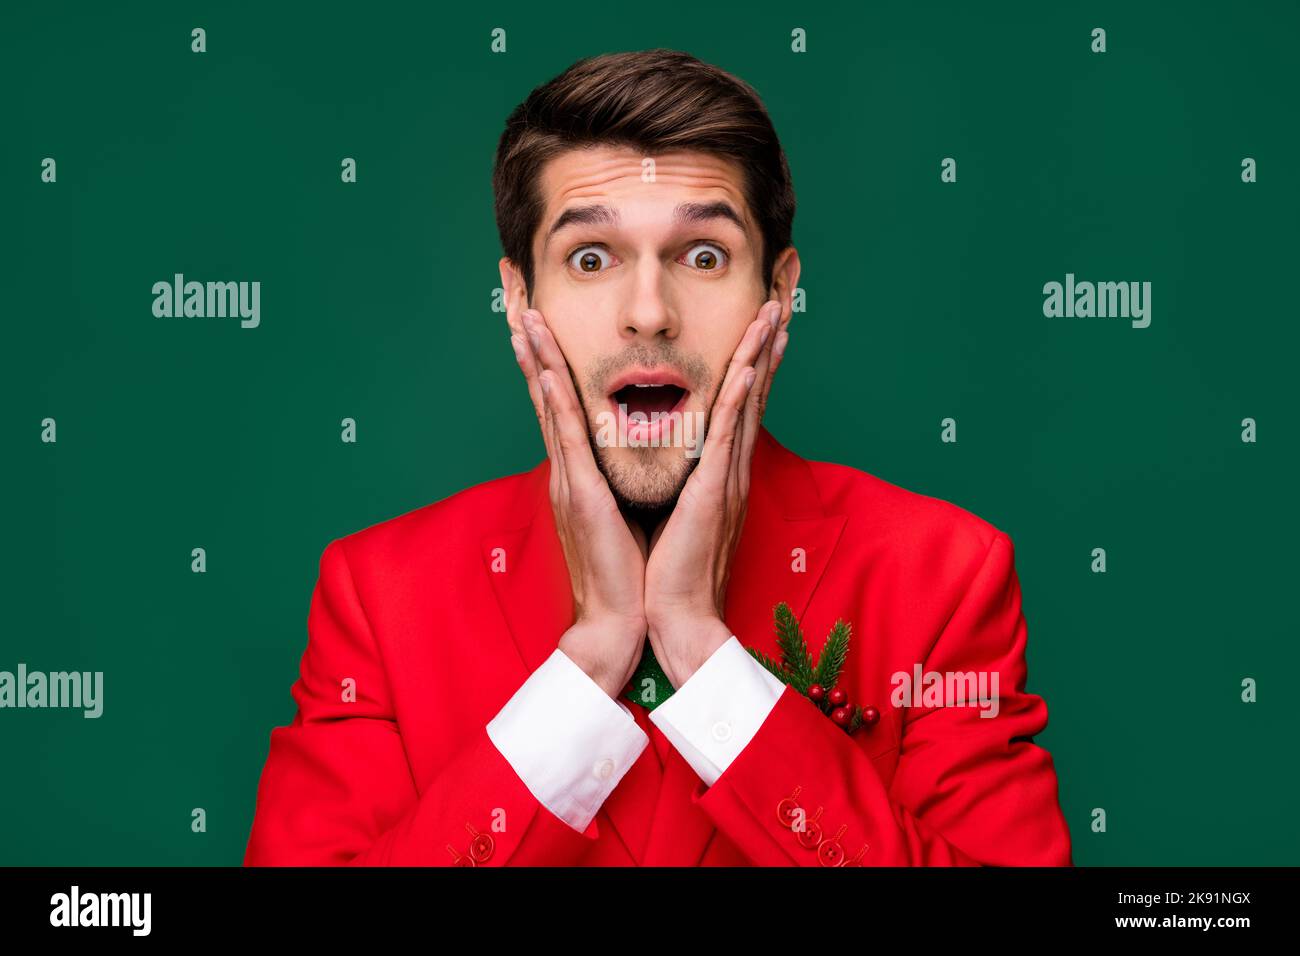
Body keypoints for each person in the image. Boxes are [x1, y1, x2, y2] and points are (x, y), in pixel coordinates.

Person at [243, 48, 1072, 866]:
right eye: (591, 259)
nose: (649, 313)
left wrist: (705, 661)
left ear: (778, 296)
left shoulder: (944, 578)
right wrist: (592, 656)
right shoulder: (381, 596)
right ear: (519, 301)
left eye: (703, 256)